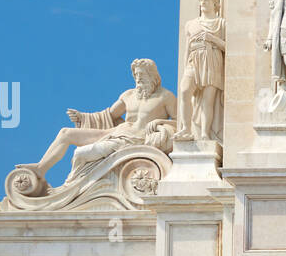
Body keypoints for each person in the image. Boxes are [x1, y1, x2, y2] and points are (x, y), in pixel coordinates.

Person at [16, 58, 176, 186]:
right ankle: (40, 168)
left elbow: (182, 124)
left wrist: (160, 122)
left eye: (142, 74)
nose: (138, 78)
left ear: (153, 76)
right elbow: (108, 115)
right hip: (116, 133)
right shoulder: (128, 95)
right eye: (136, 75)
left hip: (133, 140)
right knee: (65, 133)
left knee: (80, 154)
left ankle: (71, 188)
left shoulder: (165, 97)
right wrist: (83, 117)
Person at [176, 0, 225, 141]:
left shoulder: (221, 23)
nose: (203, 3)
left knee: (208, 99)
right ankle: (185, 128)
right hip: (194, 59)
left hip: (212, 58)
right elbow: (186, 49)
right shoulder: (190, 24)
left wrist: (212, 38)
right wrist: (185, 68)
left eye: (206, 0)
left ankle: (205, 133)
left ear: (214, 3)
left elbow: (227, 47)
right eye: (201, 0)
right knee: (184, 91)